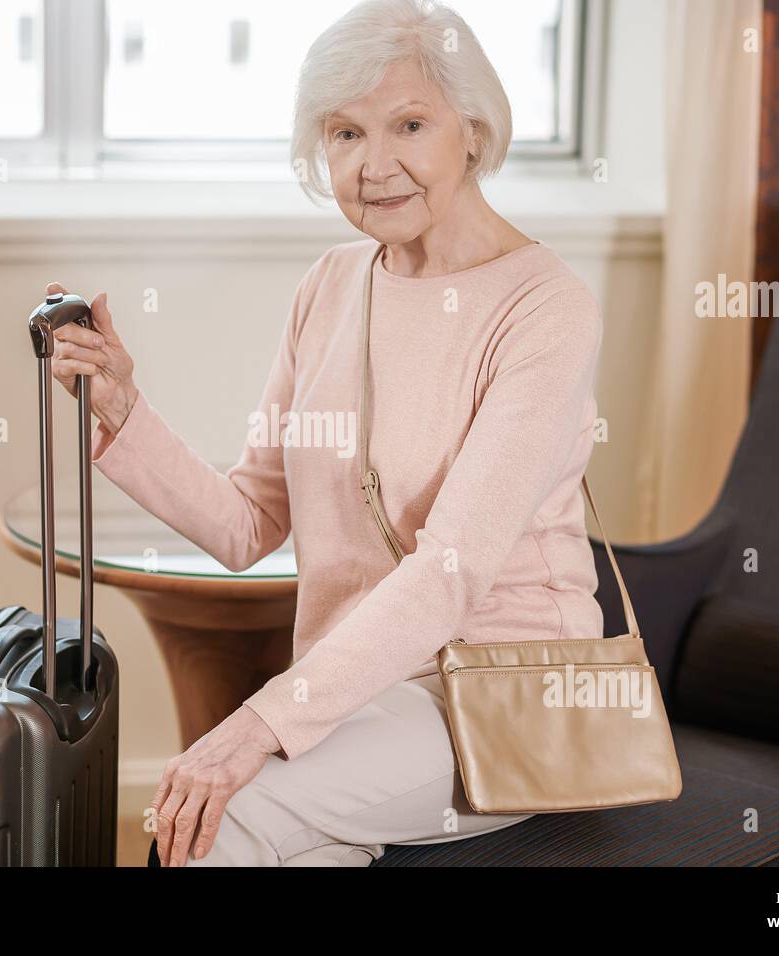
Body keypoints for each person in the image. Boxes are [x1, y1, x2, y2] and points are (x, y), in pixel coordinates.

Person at [47, 0, 604, 866]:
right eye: (344, 134)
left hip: (506, 697)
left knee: (222, 816)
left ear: (474, 129)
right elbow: (247, 525)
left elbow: (449, 575)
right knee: (233, 830)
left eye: (408, 124)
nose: (374, 165)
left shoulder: (545, 308)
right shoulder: (332, 285)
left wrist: (259, 722)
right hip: (357, 694)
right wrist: (123, 407)